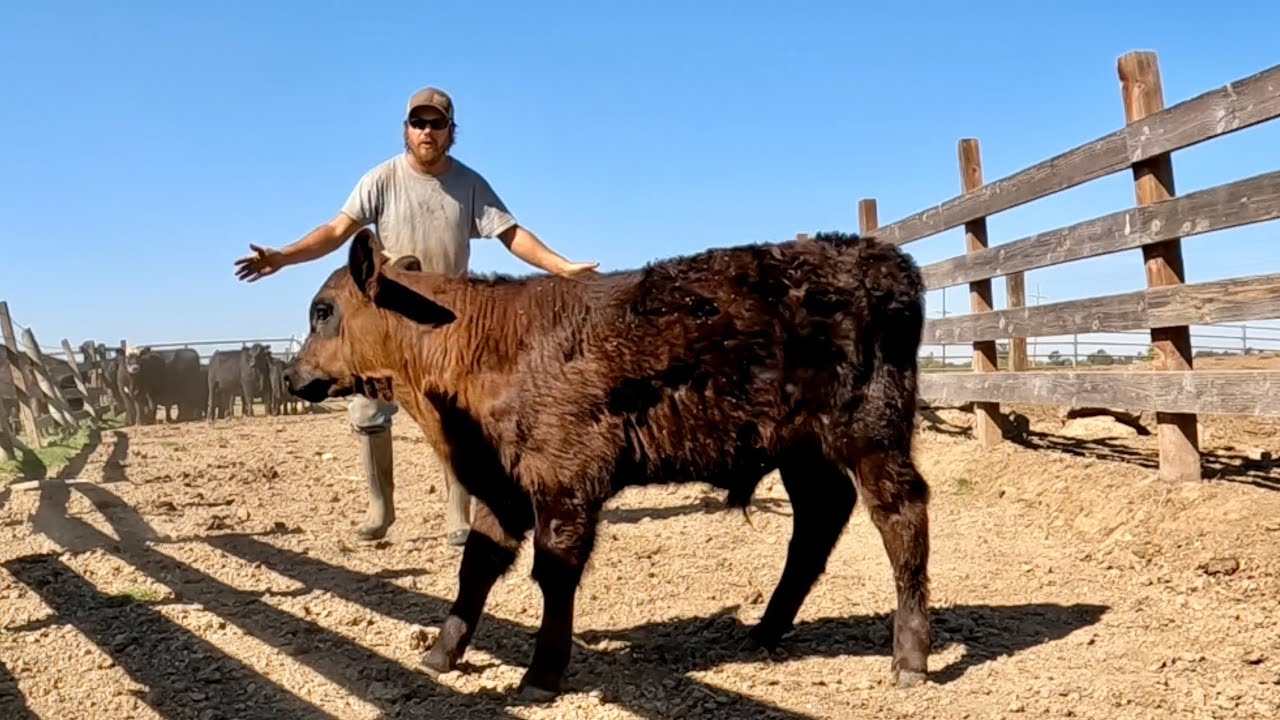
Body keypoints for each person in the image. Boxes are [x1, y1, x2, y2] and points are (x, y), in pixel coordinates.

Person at [234, 86, 597, 547]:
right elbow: (335, 231)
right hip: (389, 320)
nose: (427, 131)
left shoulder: (468, 184)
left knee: (459, 417)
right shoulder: (381, 180)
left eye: (437, 124)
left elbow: (510, 234)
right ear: (406, 129)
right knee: (368, 409)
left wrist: (560, 266)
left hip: (447, 322)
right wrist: (283, 257)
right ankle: (380, 508)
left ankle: (457, 515)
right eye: (418, 123)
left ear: (451, 132)